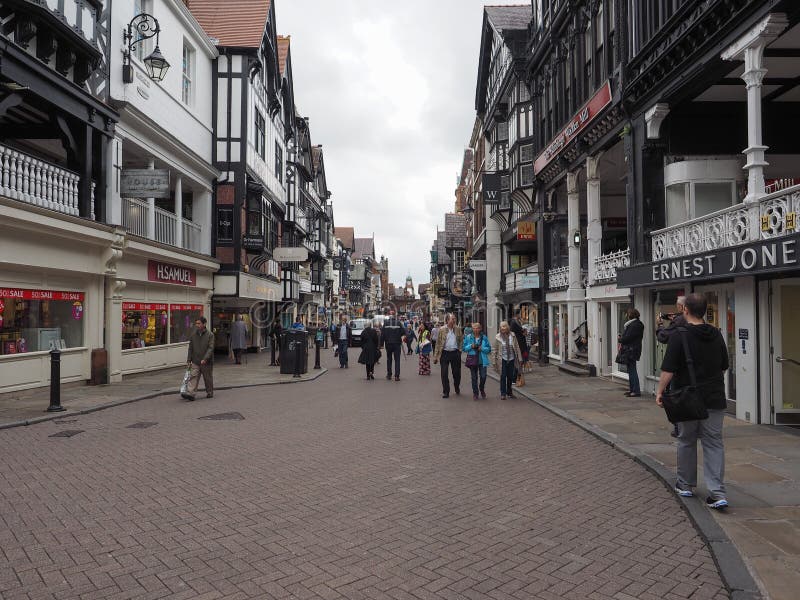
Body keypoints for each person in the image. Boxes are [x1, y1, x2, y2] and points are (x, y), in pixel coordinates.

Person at [656, 293, 730, 510]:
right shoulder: (716, 334)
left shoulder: (680, 335)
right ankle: (717, 493)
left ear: (685, 310)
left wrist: (660, 391)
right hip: (715, 397)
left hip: (687, 397)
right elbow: (724, 365)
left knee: (686, 439)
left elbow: (668, 368)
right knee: (714, 442)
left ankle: (686, 483)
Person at [657, 296, 687, 437]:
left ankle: (678, 428)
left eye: (677, 306)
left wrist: (660, 326)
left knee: (676, 398)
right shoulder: (692, 320)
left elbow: (664, 337)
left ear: (682, 307)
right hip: (693, 367)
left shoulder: (679, 320)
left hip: (679, 366)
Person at [182, 316, 214, 400]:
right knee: (193, 377)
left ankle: (209, 392)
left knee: (207, 378)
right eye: (196, 323)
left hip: (206, 361)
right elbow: (190, 348)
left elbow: (210, 348)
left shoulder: (210, 335)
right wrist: (189, 360)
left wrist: (205, 358)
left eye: (199, 323)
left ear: (204, 324)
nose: (197, 325)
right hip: (196, 360)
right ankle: (191, 394)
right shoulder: (193, 335)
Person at [433, 313, 463, 398]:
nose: (454, 320)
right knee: (444, 373)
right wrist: (435, 356)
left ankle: (457, 386)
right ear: (447, 320)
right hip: (445, 353)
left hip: (455, 353)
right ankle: (446, 391)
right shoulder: (442, 329)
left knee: (456, 373)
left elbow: (461, 340)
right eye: (452, 319)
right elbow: (438, 343)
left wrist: (460, 349)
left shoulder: (458, 329)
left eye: (454, 319)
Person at [618, 308, 645, 397]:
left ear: (631, 315)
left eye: (628, 314)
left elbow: (628, 338)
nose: (627, 315)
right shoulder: (635, 324)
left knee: (632, 370)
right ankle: (632, 389)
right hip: (632, 349)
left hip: (631, 350)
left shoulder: (634, 325)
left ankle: (636, 391)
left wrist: (620, 339)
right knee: (630, 369)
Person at [492, 321, 521, 400]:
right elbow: (494, 350)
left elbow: (517, 347)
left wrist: (520, 359)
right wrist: (494, 361)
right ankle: (503, 393)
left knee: (510, 376)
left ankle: (509, 392)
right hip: (502, 359)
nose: (502, 328)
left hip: (511, 359)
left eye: (504, 326)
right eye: (501, 327)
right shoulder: (498, 337)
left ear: (508, 327)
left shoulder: (513, 335)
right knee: (503, 376)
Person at [463, 322, 491, 400]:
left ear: (480, 328)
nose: (476, 329)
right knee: (474, 378)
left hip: (482, 360)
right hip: (472, 360)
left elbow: (489, 349)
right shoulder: (468, 337)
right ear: (472, 329)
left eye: (477, 328)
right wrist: (471, 346)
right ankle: (475, 393)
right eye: (474, 328)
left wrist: (482, 348)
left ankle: (481, 389)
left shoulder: (484, 337)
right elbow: (464, 348)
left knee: (483, 376)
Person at [380, 311, 405, 381]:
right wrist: (401, 337)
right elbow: (403, 332)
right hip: (397, 344)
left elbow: (382, 335)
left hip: (388, 344)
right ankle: (397, 376)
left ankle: (389, 374)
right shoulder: (398, 323)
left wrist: (381, 344)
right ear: (395, 316)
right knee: (397, 360)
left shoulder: (386, 323)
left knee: (389, 359)